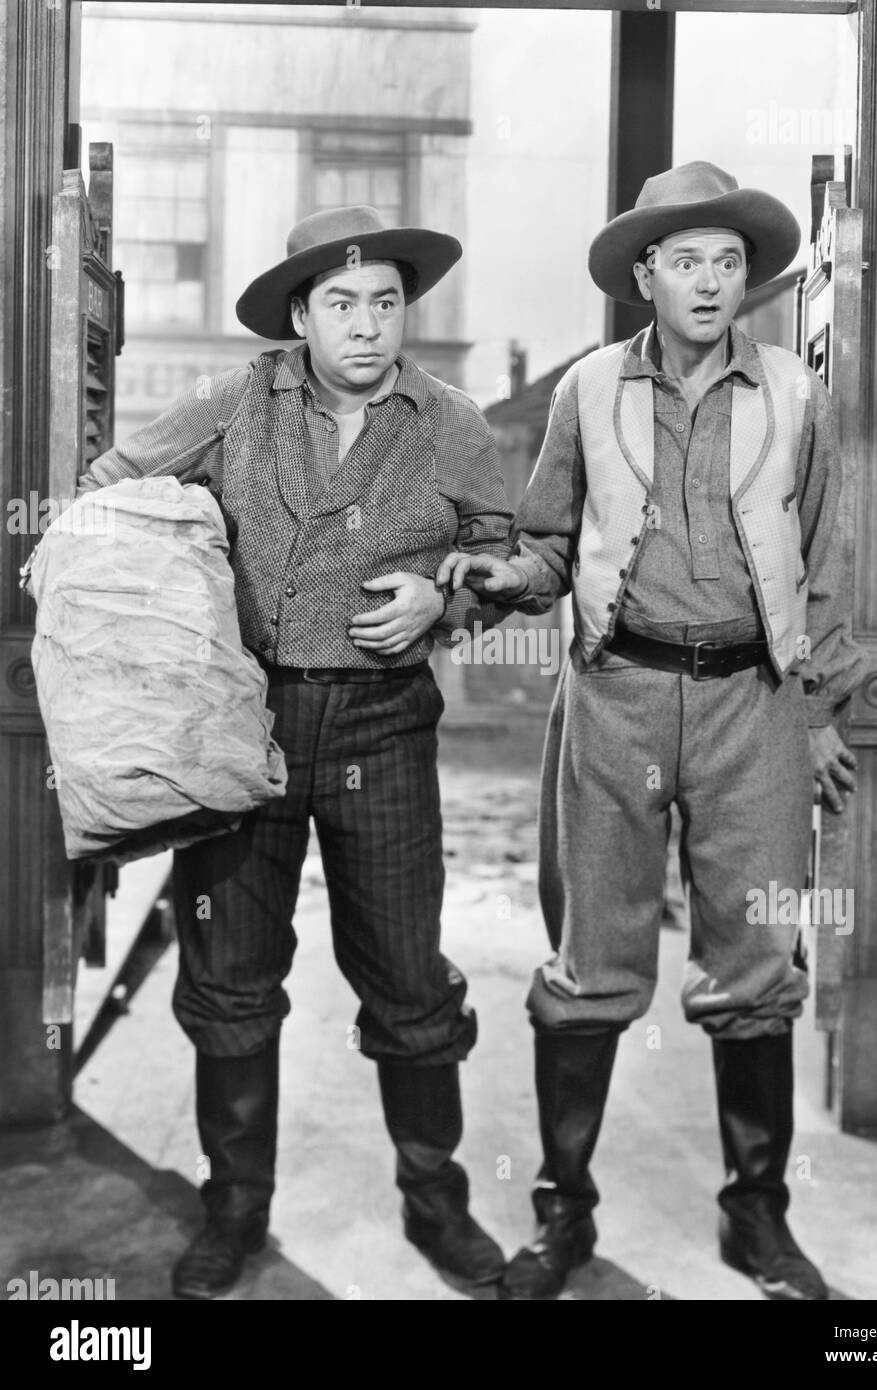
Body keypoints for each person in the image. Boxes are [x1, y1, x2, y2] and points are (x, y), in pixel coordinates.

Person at [437, 162, 867, 1301]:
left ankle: (756, 1219)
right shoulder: (583, 390)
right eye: (685, 260)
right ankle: (560, 1217)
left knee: (757, 962)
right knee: (589, 959)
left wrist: (816, 709)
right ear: (644, 275)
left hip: (752, 702)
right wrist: (499, 574)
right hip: (614, 690)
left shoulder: (792, 394)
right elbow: (542, 540)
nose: (710, 281)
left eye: (728, 261)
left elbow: (824, 566)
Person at [78, 205, 514, 1299]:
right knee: (227, 977)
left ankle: (436, 1201)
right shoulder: (234, 401)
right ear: (299, 315)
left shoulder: (451, 419)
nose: (367, 327)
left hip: (382, 725)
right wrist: (181, 622)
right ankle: (234, 1208)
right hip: (242, 728)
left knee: (408, 981)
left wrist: (444, 594)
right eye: (340, 305)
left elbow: (523, 557)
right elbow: (107, 493)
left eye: (385, 304)